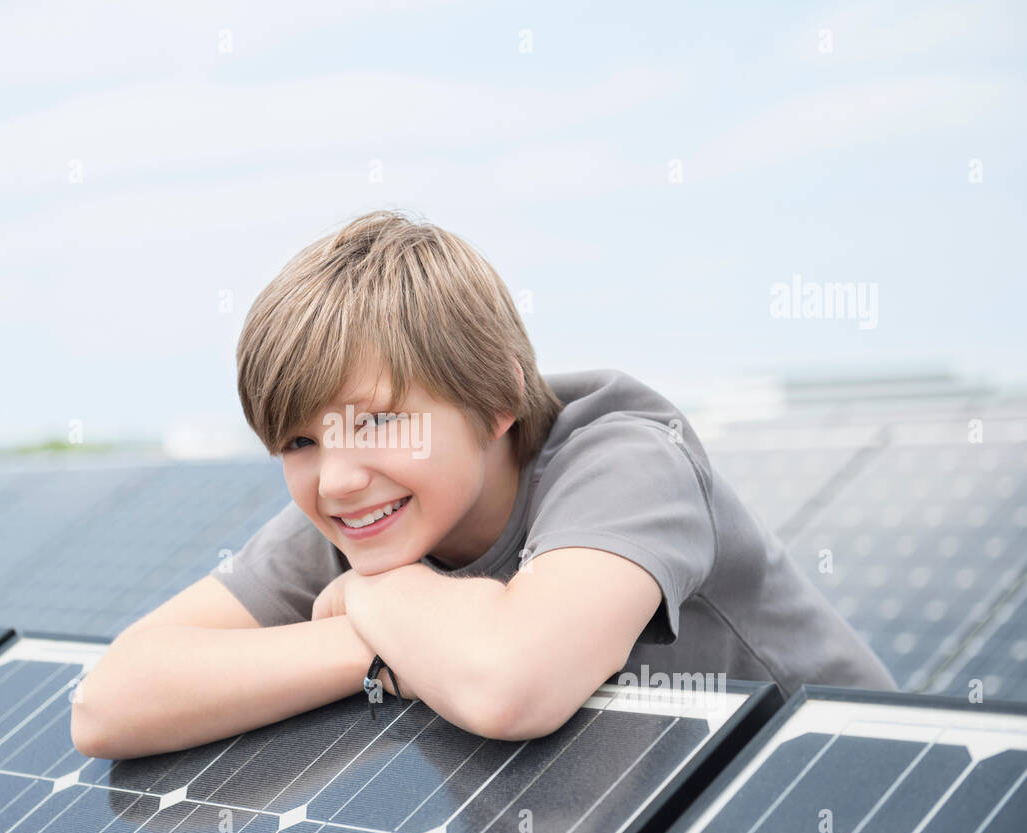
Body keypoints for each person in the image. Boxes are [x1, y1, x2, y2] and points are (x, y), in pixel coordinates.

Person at [71, 209, 896, 760]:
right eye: (298, 439)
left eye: (379, 420)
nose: (338, 475)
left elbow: (511, 684)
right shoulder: (360, 512)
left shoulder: (625, 460)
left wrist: (375, 599)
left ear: (496, 397)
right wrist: (379, 651)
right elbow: (109, 703)